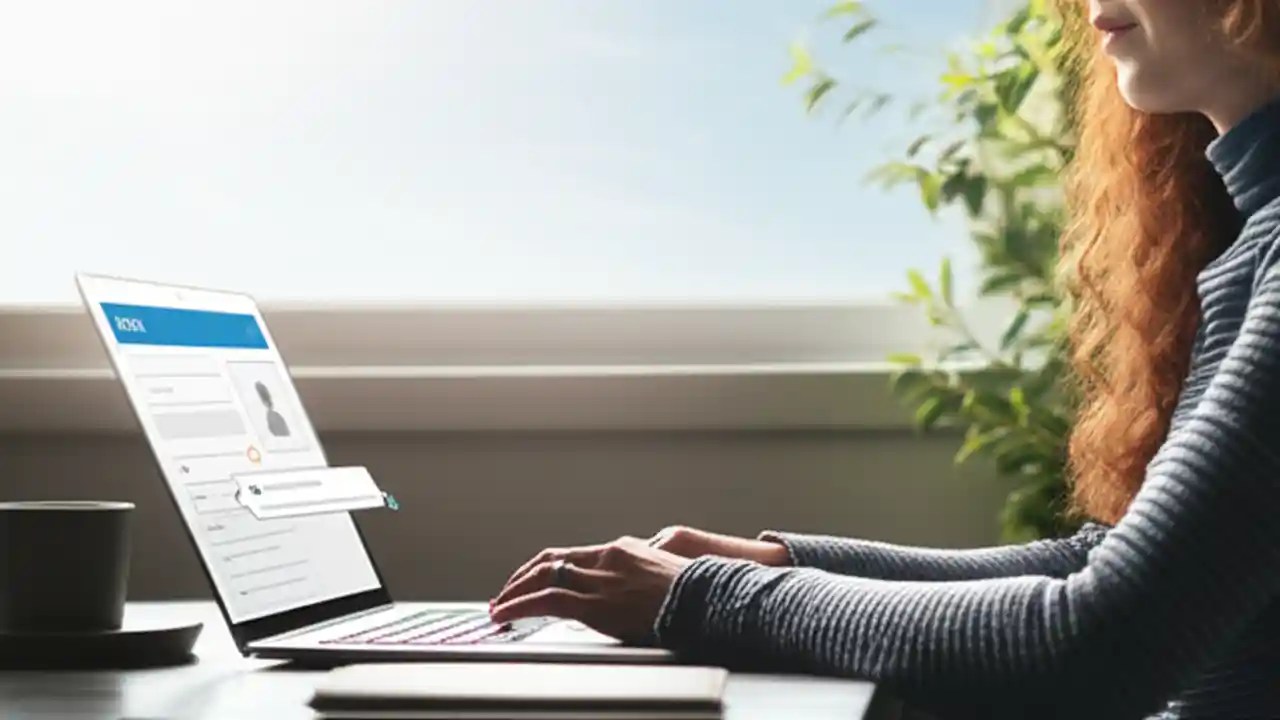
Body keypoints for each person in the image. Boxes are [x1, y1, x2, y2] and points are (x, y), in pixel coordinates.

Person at [491, 1, 1280, 717]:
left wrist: (706, 596)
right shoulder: (1253, 239)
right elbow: (1104, 561)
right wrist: (778, 562)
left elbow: (1098, 645)